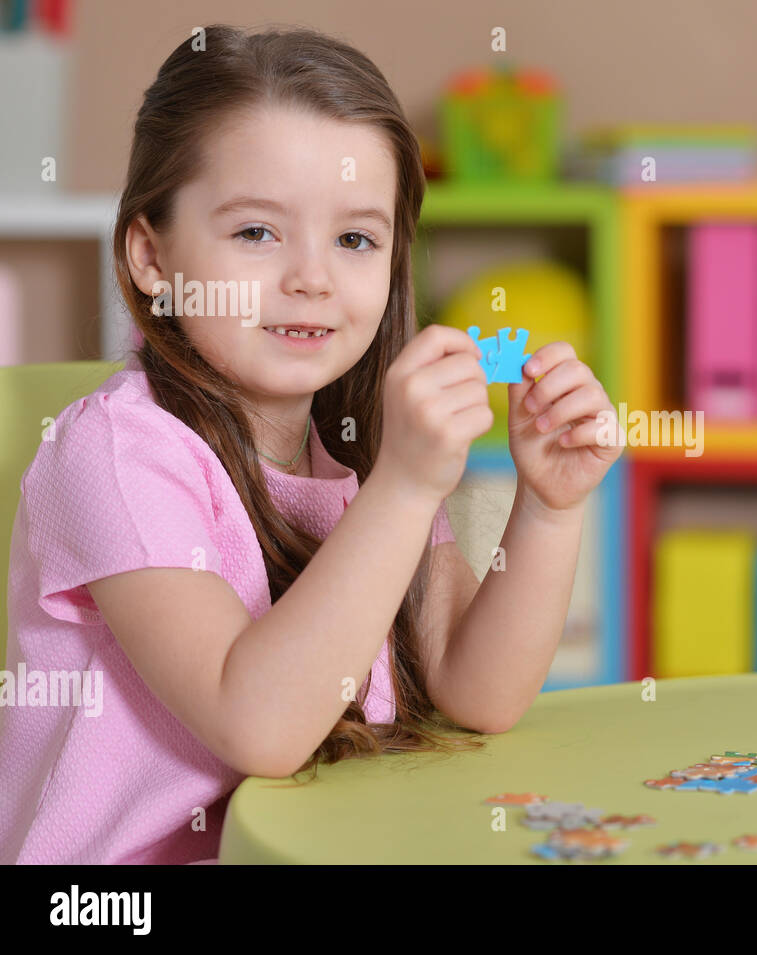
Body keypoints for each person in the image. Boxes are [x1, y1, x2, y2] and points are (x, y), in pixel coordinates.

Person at [0, 24, 622, 864]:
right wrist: (402, 488)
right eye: (257, 232)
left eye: (355, 239)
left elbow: (479, 690)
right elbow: (258, 725)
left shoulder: (359, 453)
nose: (313, 277)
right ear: (151, 255)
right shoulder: (116, 454)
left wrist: (548, 506)